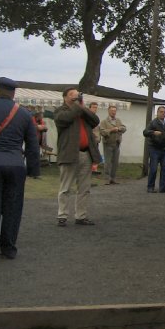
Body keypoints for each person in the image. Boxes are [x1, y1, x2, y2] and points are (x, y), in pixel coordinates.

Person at [0, 77, 40, 260]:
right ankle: (8, 248)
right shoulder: (25, 114)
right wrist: (34, 170)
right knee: (13, 207)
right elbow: (33, 145)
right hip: (16, 165)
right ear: (13, 93)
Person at [54, 87, 101, 226]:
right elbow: (65, 119)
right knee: (65, 187)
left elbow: (95, 120)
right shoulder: (60, 111)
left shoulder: (81, 111)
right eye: (72, 95)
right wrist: (76, 107)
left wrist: (82, 106)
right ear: (65, 97)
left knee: (84, 188)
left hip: (85, 153)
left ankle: (81, 216)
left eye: (77, 95)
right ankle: (62, 215)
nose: (75, 97)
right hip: (69, 154)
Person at [143, 106, 165, 193]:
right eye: (161, 112)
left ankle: (163, 187)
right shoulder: (153, 123)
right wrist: (153, 132)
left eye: (164, 112)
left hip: (164, 150)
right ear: (158, 112)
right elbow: (145, 132)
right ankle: (150, 187)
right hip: (154, 149)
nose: (163, 113)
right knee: (153, 168)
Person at [99, 105, 126, 185]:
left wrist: (119, 129)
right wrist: (111, 130)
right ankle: (107, 179)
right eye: (112, 111)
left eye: (114, 111)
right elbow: (102, 132)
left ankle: (113, 178)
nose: (113, 112)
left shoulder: (118, 120)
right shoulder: (104, 122)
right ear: (108, 111)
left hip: (117, 143)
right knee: (108, 162)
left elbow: (124, 128)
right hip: (108, 144)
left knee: (115, 162)